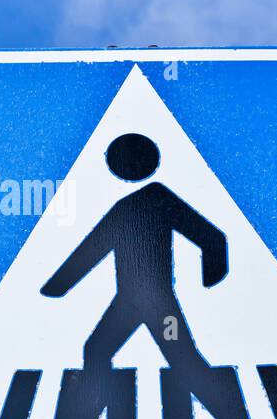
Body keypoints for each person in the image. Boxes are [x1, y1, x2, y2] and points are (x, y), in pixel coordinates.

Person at [41, 132, 226, 381]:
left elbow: (210, 236)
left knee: (183, 358)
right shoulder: (125, 208)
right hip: (127, 303)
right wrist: (57, 287)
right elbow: (92, 250)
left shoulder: (156, 198)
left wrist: (212, 273)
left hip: (160, 305)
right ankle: (89, 414)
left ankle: (232, 414)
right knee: (96, 350)